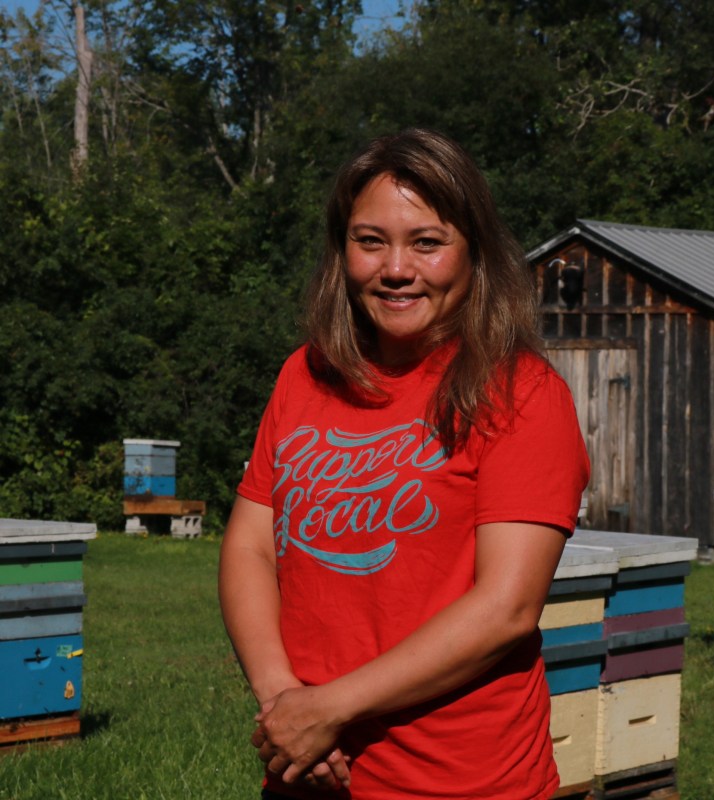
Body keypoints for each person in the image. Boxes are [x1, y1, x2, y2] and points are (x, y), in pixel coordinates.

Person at [219, 128, 590, 800]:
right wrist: (286, 706)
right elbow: (249, 545)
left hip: (461, 781)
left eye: (427, 241)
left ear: (473, 252)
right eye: (370, 241)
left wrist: (328, 708)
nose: (396, 268)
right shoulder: (304, 376)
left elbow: (507, 608)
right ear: (342, 252)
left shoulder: (522, 393)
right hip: (307, 771)